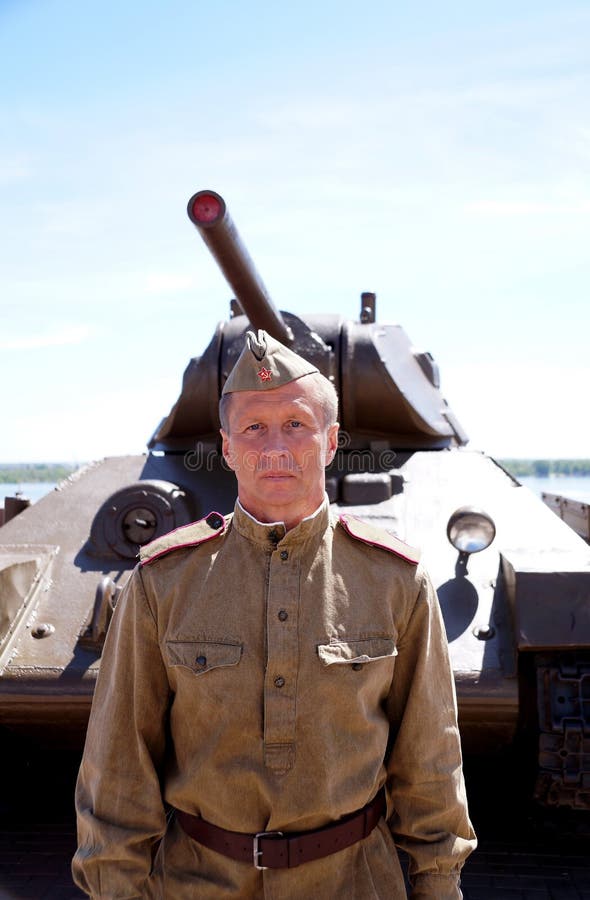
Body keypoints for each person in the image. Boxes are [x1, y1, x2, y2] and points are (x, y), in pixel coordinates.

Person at [73, 329, 476, 899]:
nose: (275, 447)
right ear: (228, 446)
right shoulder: (165, 580)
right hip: (199, 883)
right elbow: (117, 764)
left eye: (296, 424)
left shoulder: (393, 578)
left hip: (354, 882)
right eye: (254, 428)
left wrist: (438, 885)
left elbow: (430, 757)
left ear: (331, 440)